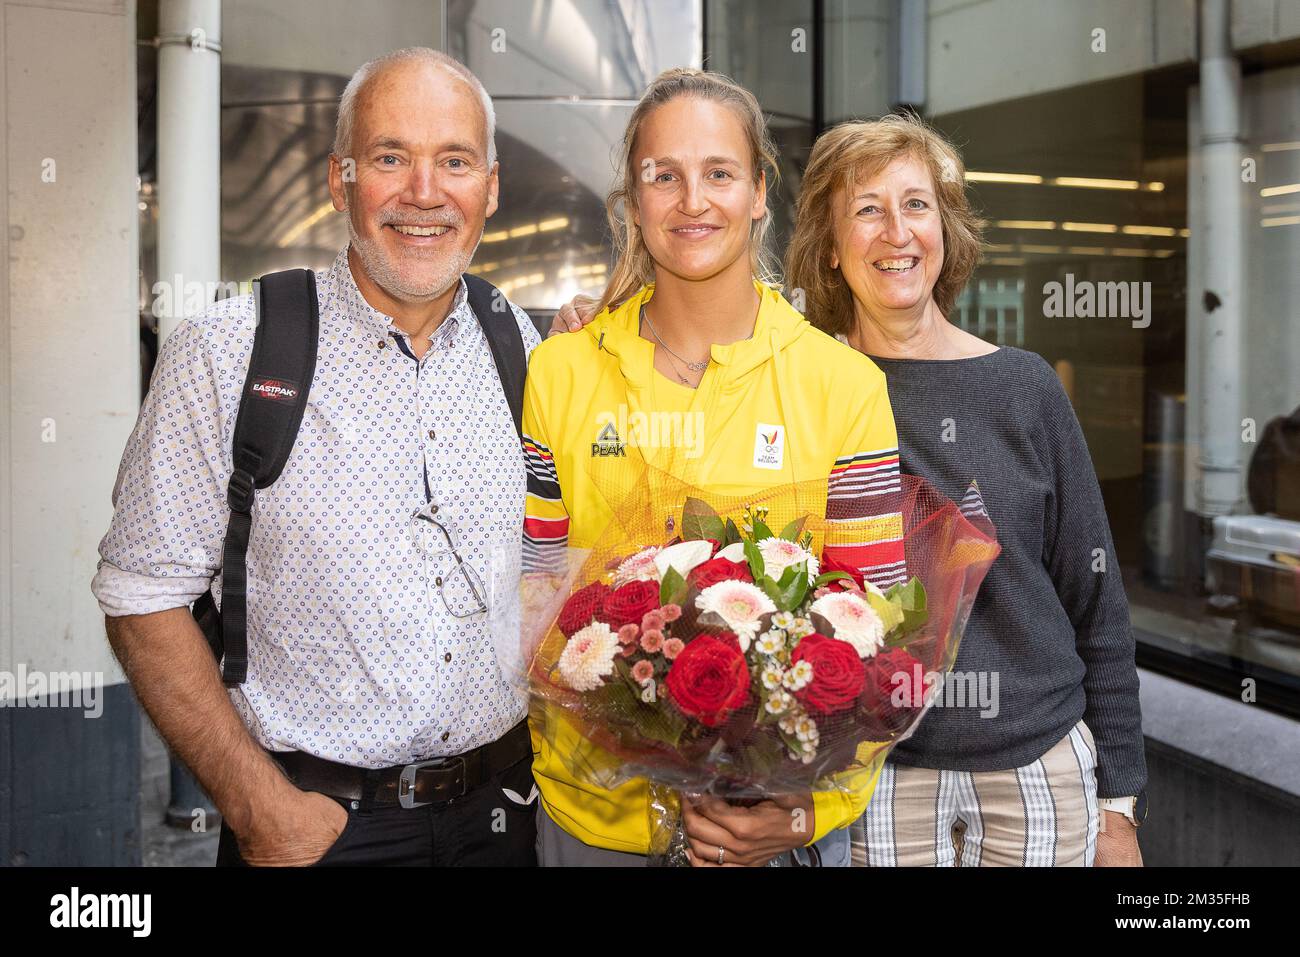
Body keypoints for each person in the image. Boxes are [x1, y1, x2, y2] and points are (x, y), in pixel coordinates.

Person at [552, 113, 1148, 868]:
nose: (895, 232)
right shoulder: (801, 385)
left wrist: (1117, 803)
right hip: (874, 780)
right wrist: (593, 324)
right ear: (831, 250)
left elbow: (1099, 606)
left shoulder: (1026, 387)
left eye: (916, 205)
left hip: (1038, 766)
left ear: (946, 230)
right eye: (867, 210)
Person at [91, 48, 542, 866]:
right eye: (390, 157)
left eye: (455, 161)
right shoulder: (230, 351)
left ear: (492, 188)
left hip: (506, 816)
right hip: (318, 830)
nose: (424, 193)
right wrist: (260, 809)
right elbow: (141, 593)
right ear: (341, 180)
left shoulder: (525, 346)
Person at [522, 68, 907, 866]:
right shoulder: (559, 373)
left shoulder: (846, 386)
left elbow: (881, 638)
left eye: (719, 173)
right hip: (592, 823)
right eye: (664, 176)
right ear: (633, 199)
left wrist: (807, 810)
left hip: (777, 829)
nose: (692, 201)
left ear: (761, 191)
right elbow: (533, 597)